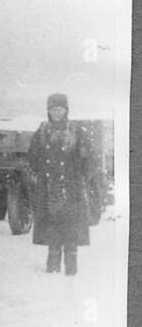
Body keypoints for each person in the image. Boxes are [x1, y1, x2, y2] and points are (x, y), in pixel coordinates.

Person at [28, 93, 102, 275]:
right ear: (48, 111)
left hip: (72, 190)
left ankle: (71, 271)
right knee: (52, 229)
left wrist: (82, 177)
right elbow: (33, 158)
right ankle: (52, 269)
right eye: (53, 109)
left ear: (66, 110)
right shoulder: (42, 132)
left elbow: (90, 161)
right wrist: (40, 176)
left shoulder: (77, 132)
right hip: (49, 189)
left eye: (60, 109)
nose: (57, 112)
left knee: (71, 230)